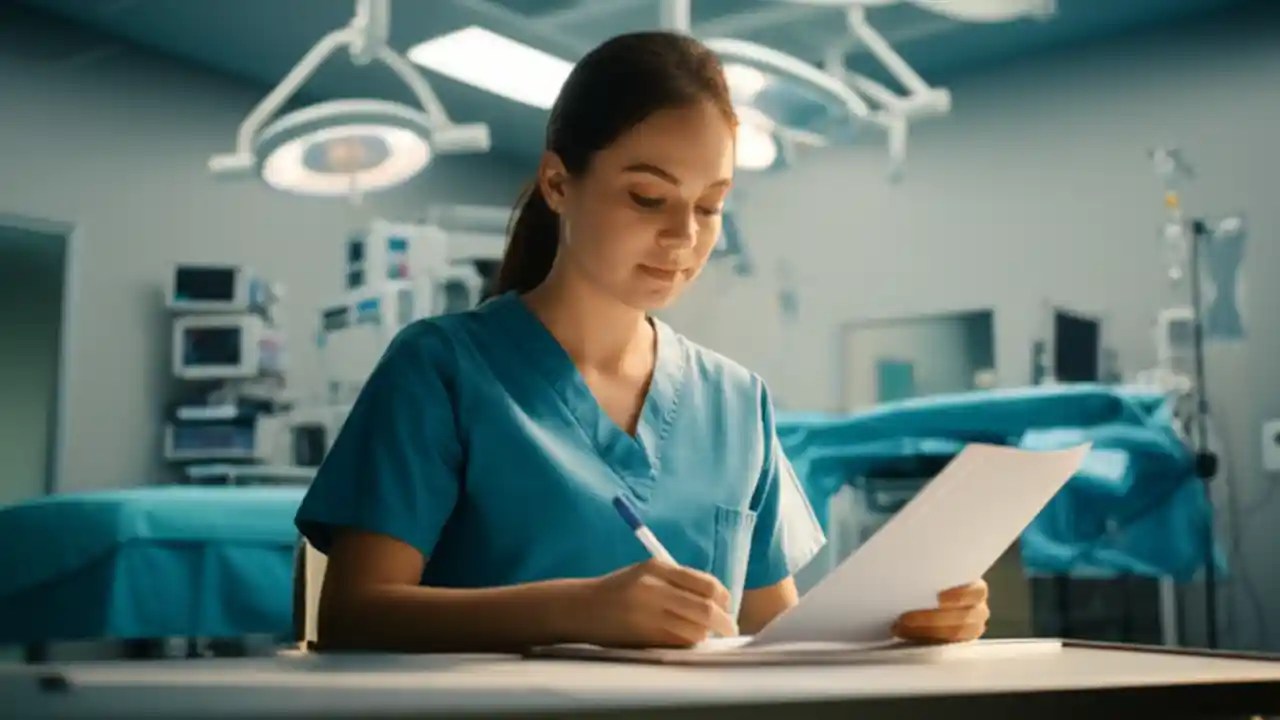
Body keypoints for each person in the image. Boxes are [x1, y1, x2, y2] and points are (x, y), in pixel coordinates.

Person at [294, 31, 990, 653]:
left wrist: (898, 627)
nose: (685, 237)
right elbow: (355, 616)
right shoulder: (441, 370)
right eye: (648, 198)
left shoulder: (735, 402)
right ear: (559, 182)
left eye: (711, 205)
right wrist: (578, 609)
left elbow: (775, 641)